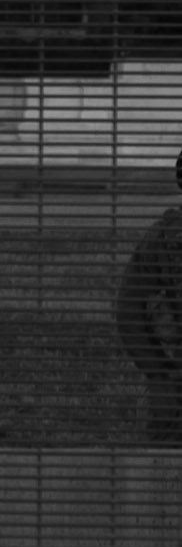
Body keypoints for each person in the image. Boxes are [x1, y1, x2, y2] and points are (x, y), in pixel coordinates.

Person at [115, 150, 182, 443]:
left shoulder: (165, 237)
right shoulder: (164, 239)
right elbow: (129, 312)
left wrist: (158, 375)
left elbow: (129, 312)